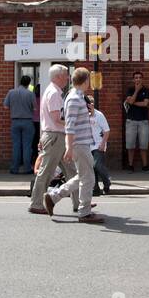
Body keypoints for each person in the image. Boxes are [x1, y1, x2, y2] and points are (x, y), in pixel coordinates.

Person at [44, 67, 103, 224]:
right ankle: (84, 212)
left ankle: (54, 196)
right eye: (89, 80)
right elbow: (69, 126)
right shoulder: (74, 99)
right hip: (79, 144)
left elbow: (77, 121)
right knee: (88, 178)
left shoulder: (78, 97)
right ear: (85, 81)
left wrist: (90, 113)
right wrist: (69, 147)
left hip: (81, 143)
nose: (90, 83)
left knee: (82, 176)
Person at [29, 64, 70, 215]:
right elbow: (56, 118)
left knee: (72, 171)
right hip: (56, 137)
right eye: (66, 74)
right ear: (58, 76)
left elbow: (45, 118)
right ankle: (36, 203)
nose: (68, 77)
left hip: (54, 136)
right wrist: (73, 124)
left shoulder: (52, 91)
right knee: (46, 172)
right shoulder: (54, 93)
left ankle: (81, 203)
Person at [3, 75, 38, 175]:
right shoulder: (30, 94)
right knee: (27, 146)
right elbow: (35, 108)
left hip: (15, 121)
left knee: (16, 145)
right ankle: (27, 168)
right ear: (28, 83)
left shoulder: (11, 92)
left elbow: (5, 106)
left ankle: (14, 168)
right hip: (27, 121)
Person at [123, 71, 149, 172]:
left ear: (142, 79)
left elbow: (145, 104)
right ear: (133, 79)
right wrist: (136, 91)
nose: (138, 79)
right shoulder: (130, 90)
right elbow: (129, 101)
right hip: (131, 121)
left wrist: (132, 102)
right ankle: (130, 166)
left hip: (143, 121)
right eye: (136, 77)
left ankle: (145, 166)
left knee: (144, 145)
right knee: (130, 145)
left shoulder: (146, 90)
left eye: (140, 77)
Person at [89, 95, 112, 195]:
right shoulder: (84, 116)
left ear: (92, 105)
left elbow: (107, 131)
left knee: (97, 165)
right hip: (88, 145)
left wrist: (103, 144)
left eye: (88, 106)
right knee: (91, 167)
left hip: (98, 144)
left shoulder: (99, 115)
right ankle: (95, 189)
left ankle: (107, 182)